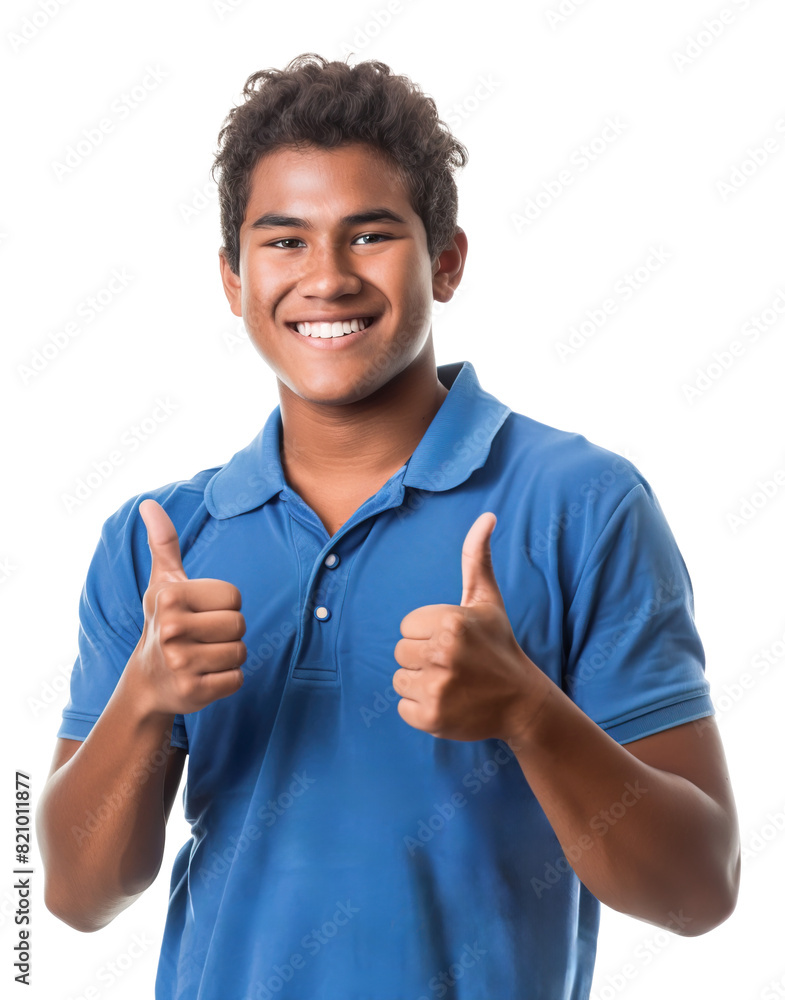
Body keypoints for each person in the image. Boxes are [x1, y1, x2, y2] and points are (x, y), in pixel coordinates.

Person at [37, 52, 740, 1000]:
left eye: (369, 235)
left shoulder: (582, 503)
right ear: (232, 280)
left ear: (445, 261)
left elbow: (700, 890)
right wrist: (143, 700)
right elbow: (77, 897)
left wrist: (530, 712)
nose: (325, 278)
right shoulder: (159, 536)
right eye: (283, 242)